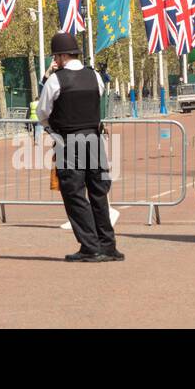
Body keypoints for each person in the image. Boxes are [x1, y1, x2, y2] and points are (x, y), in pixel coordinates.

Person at [37, 31, 121, 262]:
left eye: (56, 56)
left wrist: (54, 131)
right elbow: (99, 98)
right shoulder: (94, 77)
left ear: (62, 56)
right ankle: (108, 245)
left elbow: (42, 113)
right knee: (98, 191)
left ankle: (90, 246)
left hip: (69, 142)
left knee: (74, 193)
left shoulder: (56, 80)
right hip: (94, 139)